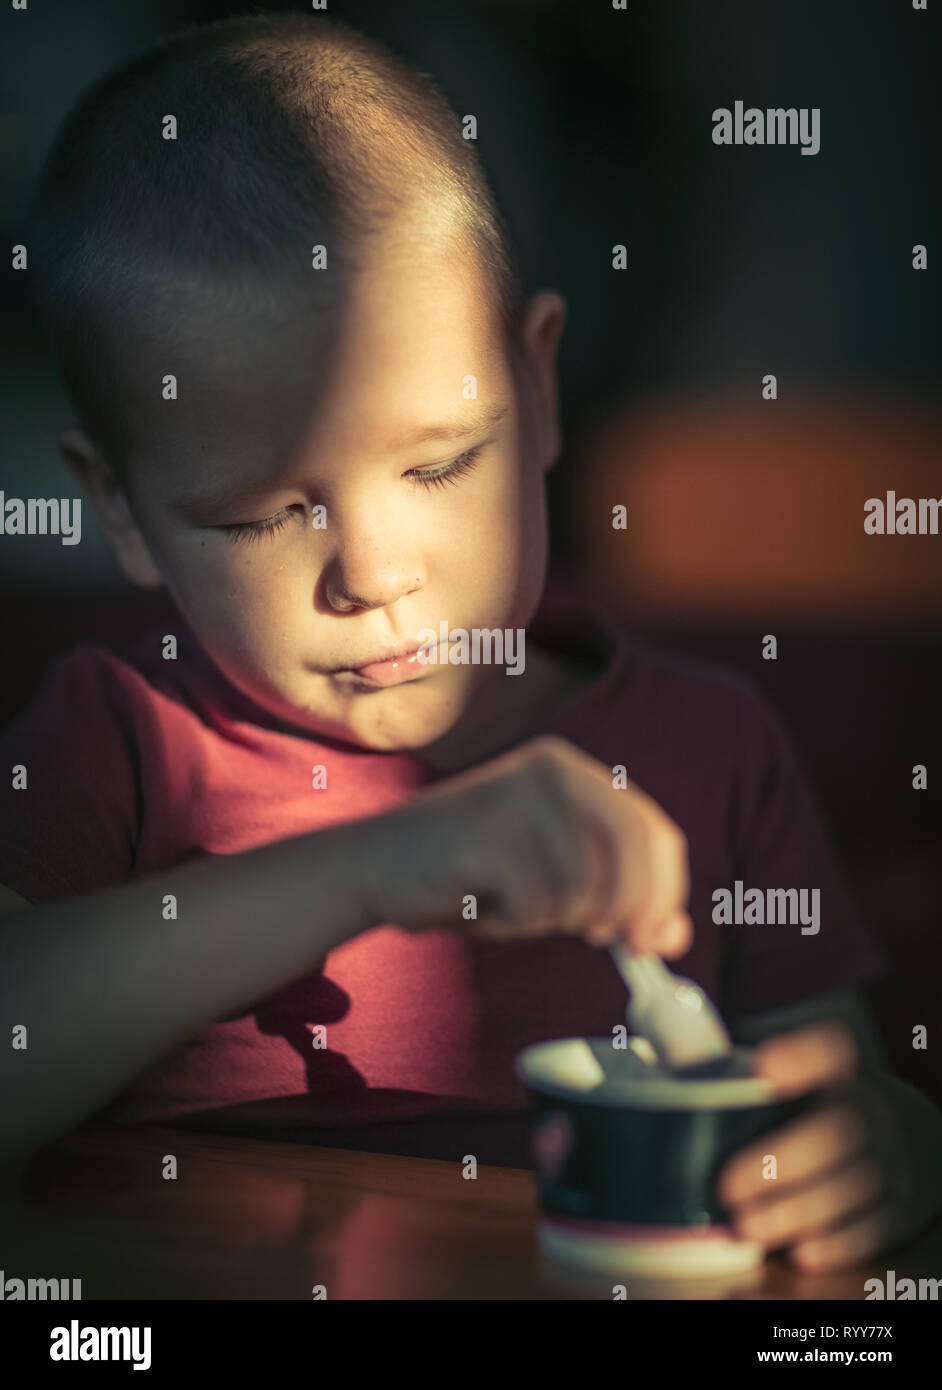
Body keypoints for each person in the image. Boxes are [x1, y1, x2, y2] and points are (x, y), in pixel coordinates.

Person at [1, 11, 938, 1274]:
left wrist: (893, 1145)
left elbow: (828, 1098)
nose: (377, 574)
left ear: (540, 389)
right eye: (264, 512)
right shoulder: (118, 744)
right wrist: (374, 864)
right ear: (118, 506)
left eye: (441, 464)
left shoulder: (711, 748)